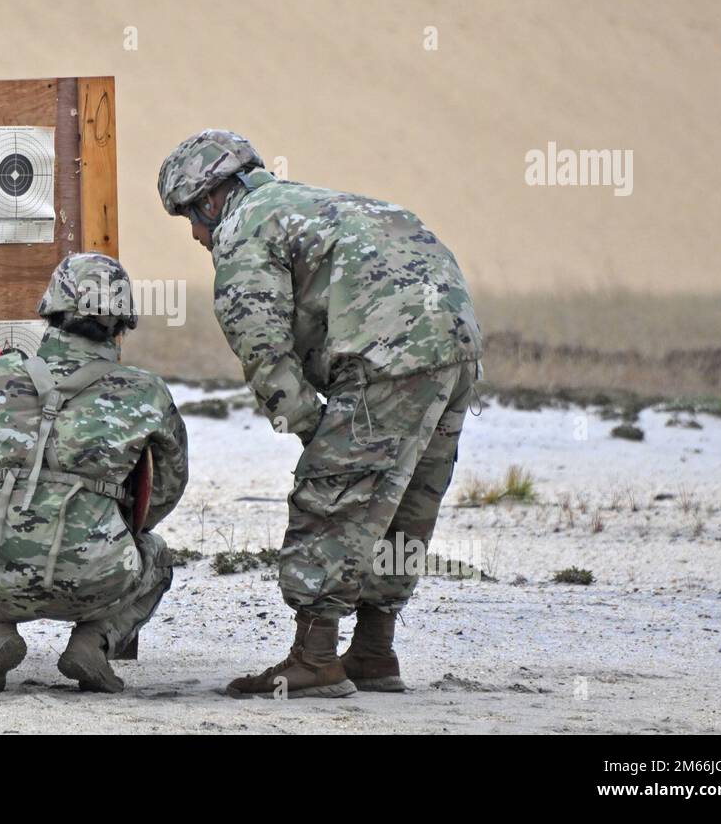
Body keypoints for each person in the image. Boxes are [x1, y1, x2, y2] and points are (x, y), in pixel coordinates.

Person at [157, 129, 482, 698]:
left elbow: (262, 347)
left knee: (329, 501)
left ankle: (314, 659)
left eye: (190, 216)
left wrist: (313, 431)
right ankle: (375, 652)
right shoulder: (322, 204)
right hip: (456, 353)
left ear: (211, 198)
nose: (195, 233)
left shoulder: (247, 227)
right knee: (403, 500)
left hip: (386, 356)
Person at [0, 252, 189, 694]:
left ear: (51, 310)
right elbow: (166, 487)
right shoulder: (147, 393)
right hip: (98, 580)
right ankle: (92, 643)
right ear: (122, 322)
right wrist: (119, 528)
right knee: (157, 558)